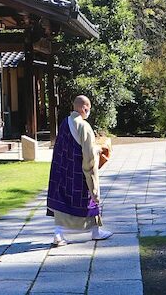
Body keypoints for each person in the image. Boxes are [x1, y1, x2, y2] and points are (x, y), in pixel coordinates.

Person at [46, 95, 113, 245]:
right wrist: (98, 150)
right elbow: (89, 154)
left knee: (62, 201)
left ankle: (58, 234)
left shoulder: (65, 122)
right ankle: (95, 231)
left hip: (63, 170)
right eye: (88, 108)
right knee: (91, 199)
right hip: (79, 172)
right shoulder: (84, 126)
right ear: (84, 108)